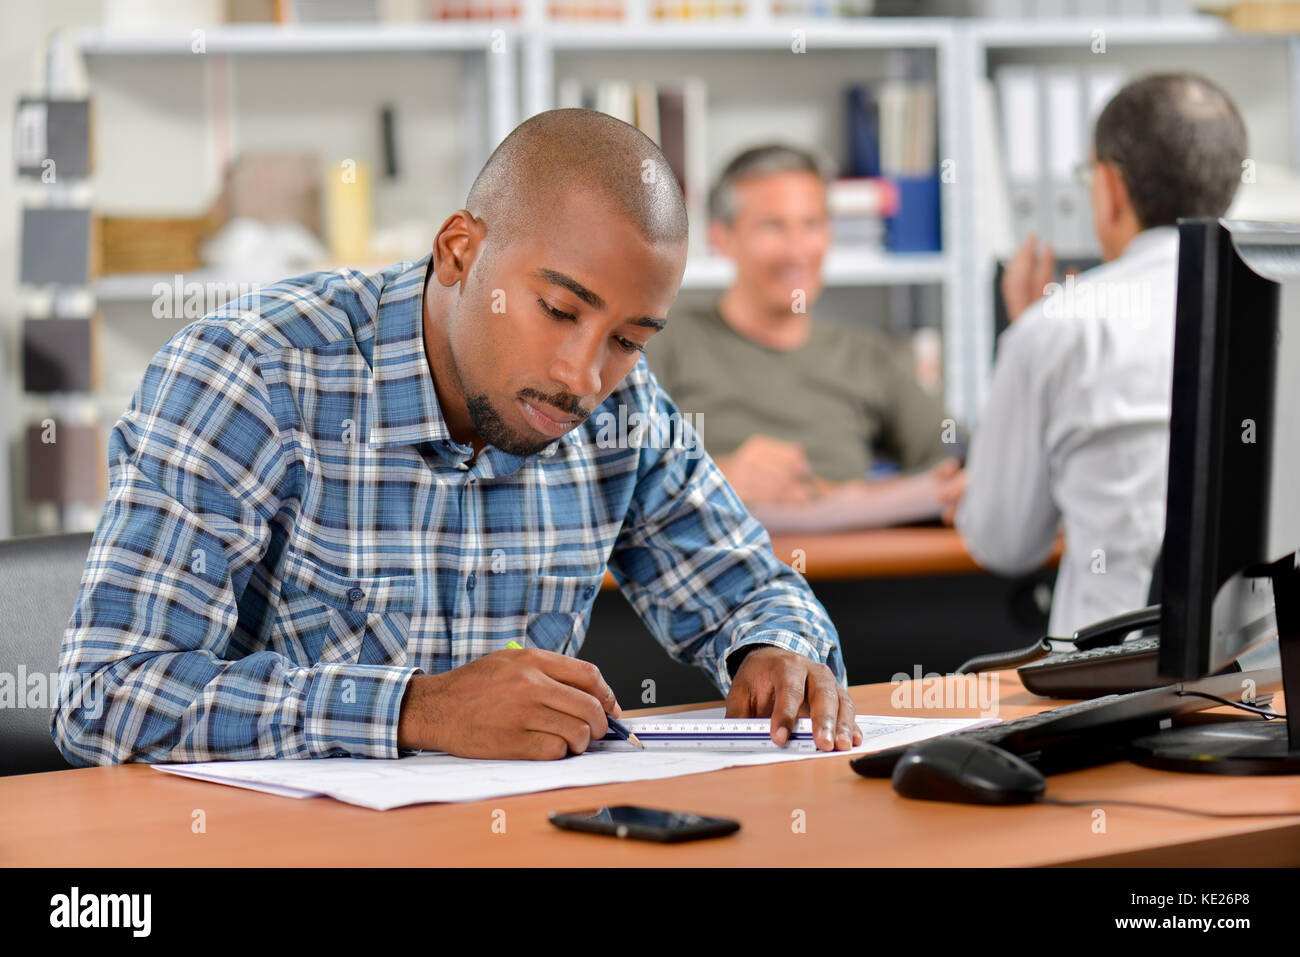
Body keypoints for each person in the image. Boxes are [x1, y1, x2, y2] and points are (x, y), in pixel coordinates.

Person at [53, 109, 862, 766]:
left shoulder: (621, 410)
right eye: (559, 309)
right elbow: (107, 696)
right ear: (459, 252)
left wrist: (774, 650)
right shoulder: (250, 375)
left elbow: (758, 587)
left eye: (629, 338)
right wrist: (416, 707)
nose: (584, 375)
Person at [954, 73, 1248, 637]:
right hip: (1264, 673)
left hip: (1114, 684)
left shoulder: (1056, 329)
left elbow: (1003, 542)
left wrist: (1032, 340)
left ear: (1110, 187)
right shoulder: (1279, 300)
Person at [646, 144, 965, 523]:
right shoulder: (665, 344)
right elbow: (607, 468)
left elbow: (951, 457)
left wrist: (841, 498)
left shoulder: (866, 355)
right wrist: (717, 475)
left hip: (858, 567)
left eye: (812, 224)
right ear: (721, 239)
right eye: (772, 226)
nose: (797, 251)